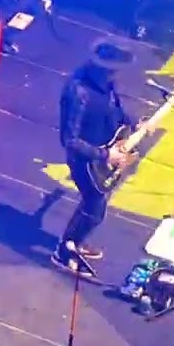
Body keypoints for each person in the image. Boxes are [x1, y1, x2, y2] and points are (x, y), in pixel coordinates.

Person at [55, 39, 138, 277]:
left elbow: (114, 109)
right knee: (95, 206)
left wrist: (133, 122)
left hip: (102, 151)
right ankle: (65, 250)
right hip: (85, 160)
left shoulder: (106, 84)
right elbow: (69, 139)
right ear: (105, 68)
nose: (117, 75)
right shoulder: (78, 92)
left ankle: (75, 241)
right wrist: (105, 154)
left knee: (93, 203)